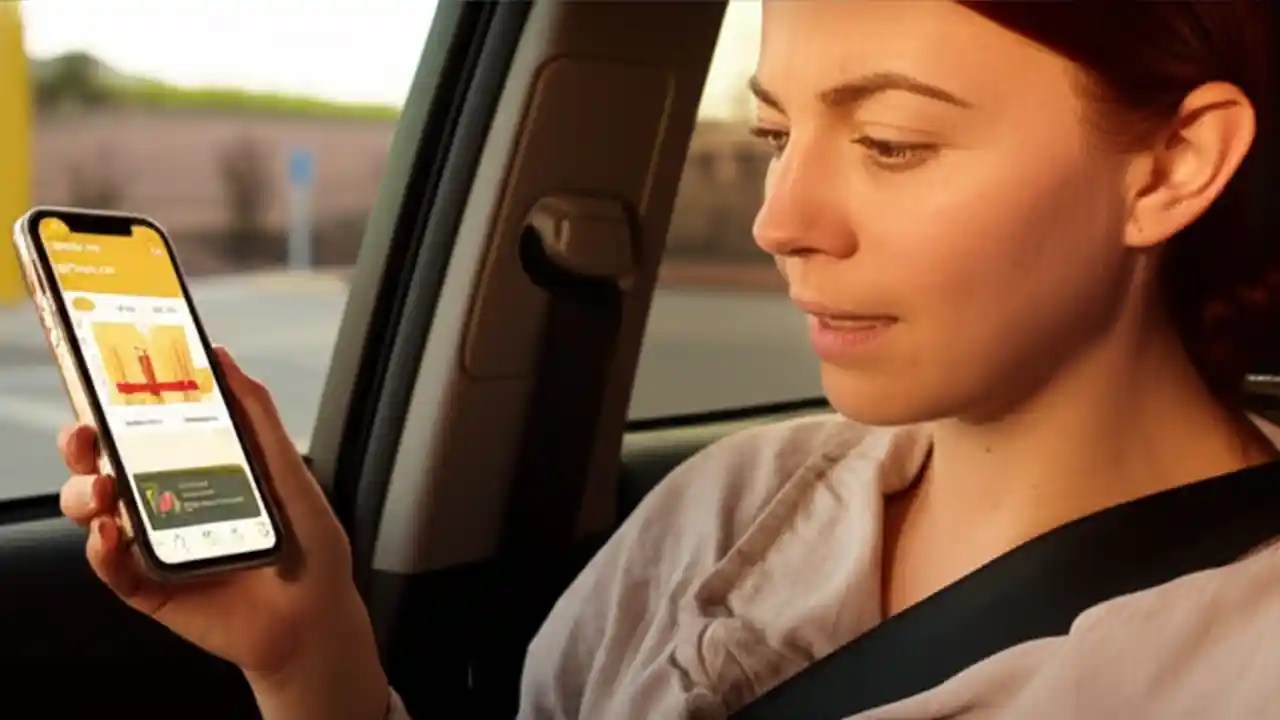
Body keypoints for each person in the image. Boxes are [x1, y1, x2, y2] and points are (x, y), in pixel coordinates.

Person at [57, 1, 1280, 718]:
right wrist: (309, 653)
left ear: (1171, 166)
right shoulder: (729, 506)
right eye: (772, 132)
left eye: (894, 143)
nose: (778, 219)